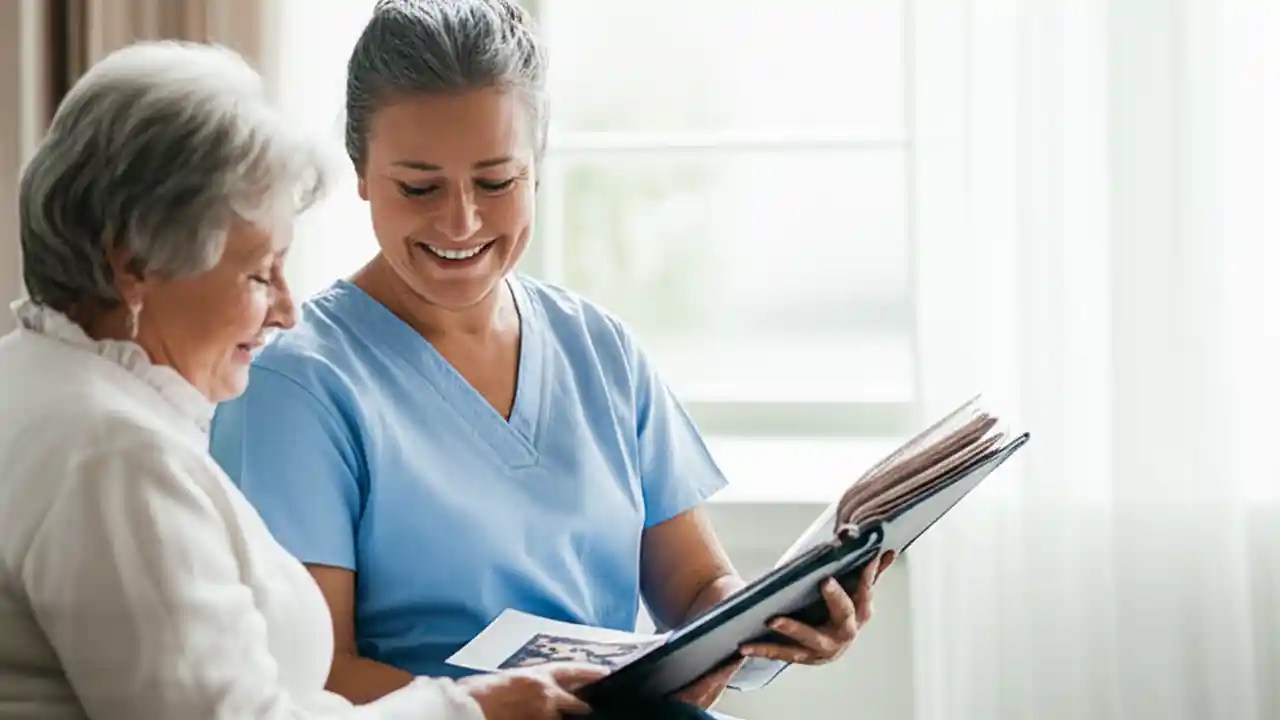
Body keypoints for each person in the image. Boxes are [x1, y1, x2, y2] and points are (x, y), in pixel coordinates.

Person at [210, 0, 894, 711]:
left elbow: (695, 592)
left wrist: (780, 620)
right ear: (359, 169)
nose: (461, 221)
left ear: (536, 165)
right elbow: (311, 674)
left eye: (497, 181)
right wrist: (489, 708)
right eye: (419, 187)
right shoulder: (297, 383)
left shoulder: (598, 350)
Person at [0, 40, 601, 720]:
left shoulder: (37, 383)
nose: (287, 309)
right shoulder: (113, 454)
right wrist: (466, 711)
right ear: (135, 263)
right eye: (260, 274)